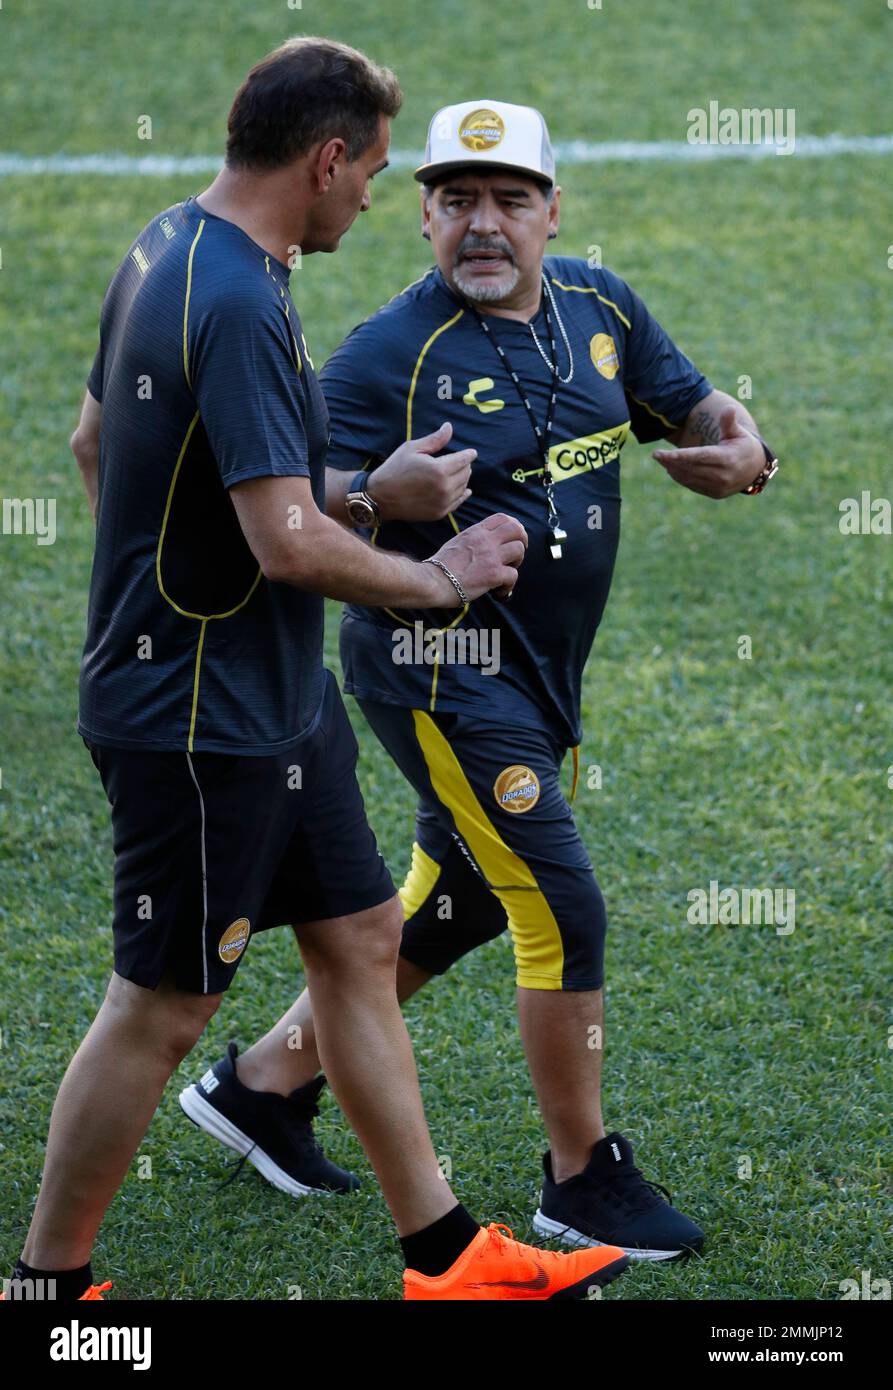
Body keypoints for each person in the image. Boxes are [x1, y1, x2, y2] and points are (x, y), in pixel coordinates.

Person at [3, 54, 630, 1304]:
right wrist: (438, 572)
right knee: (162, 1007)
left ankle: (443, 1256)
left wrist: (343, 504)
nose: (375, 198)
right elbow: (285, 543)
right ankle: (46, 1288)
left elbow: (101, 444)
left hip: (279, 702)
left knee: (358, 940)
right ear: (326, 158)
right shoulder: (240, 301)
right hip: (205, 722)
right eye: (377, 172)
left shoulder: (170, 243)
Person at [182, 98, 780, 1262]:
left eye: (510, 198)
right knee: (560, 903)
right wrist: (376, 494)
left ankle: (261, 1087)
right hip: (435, 668)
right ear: (423, 218)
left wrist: (745, 452)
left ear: (553, 212)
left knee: (459, 896)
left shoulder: (600, 308)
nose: (483, 224)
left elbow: (694, 402)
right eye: (456, 200)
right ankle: (579, 1178)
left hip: (542, 674)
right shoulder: (386, 355)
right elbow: (268, 496)